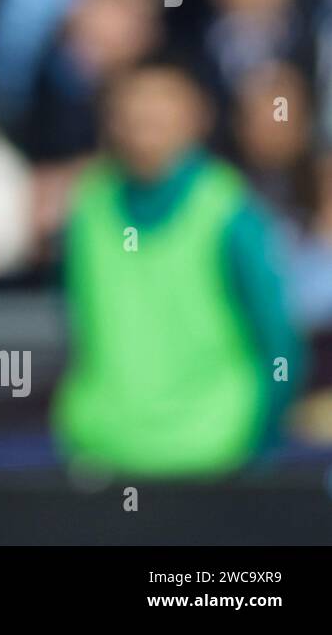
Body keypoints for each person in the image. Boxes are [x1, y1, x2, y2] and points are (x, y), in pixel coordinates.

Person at [52, 55, 304, 477]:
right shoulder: (86, 206)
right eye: (133, 102)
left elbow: (278, 342)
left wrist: (258, 441)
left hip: (216, 454)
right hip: (102, 450)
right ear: (111, 117)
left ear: (199, 114)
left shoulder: (230, 211)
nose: (148, 115)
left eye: (164, 101)